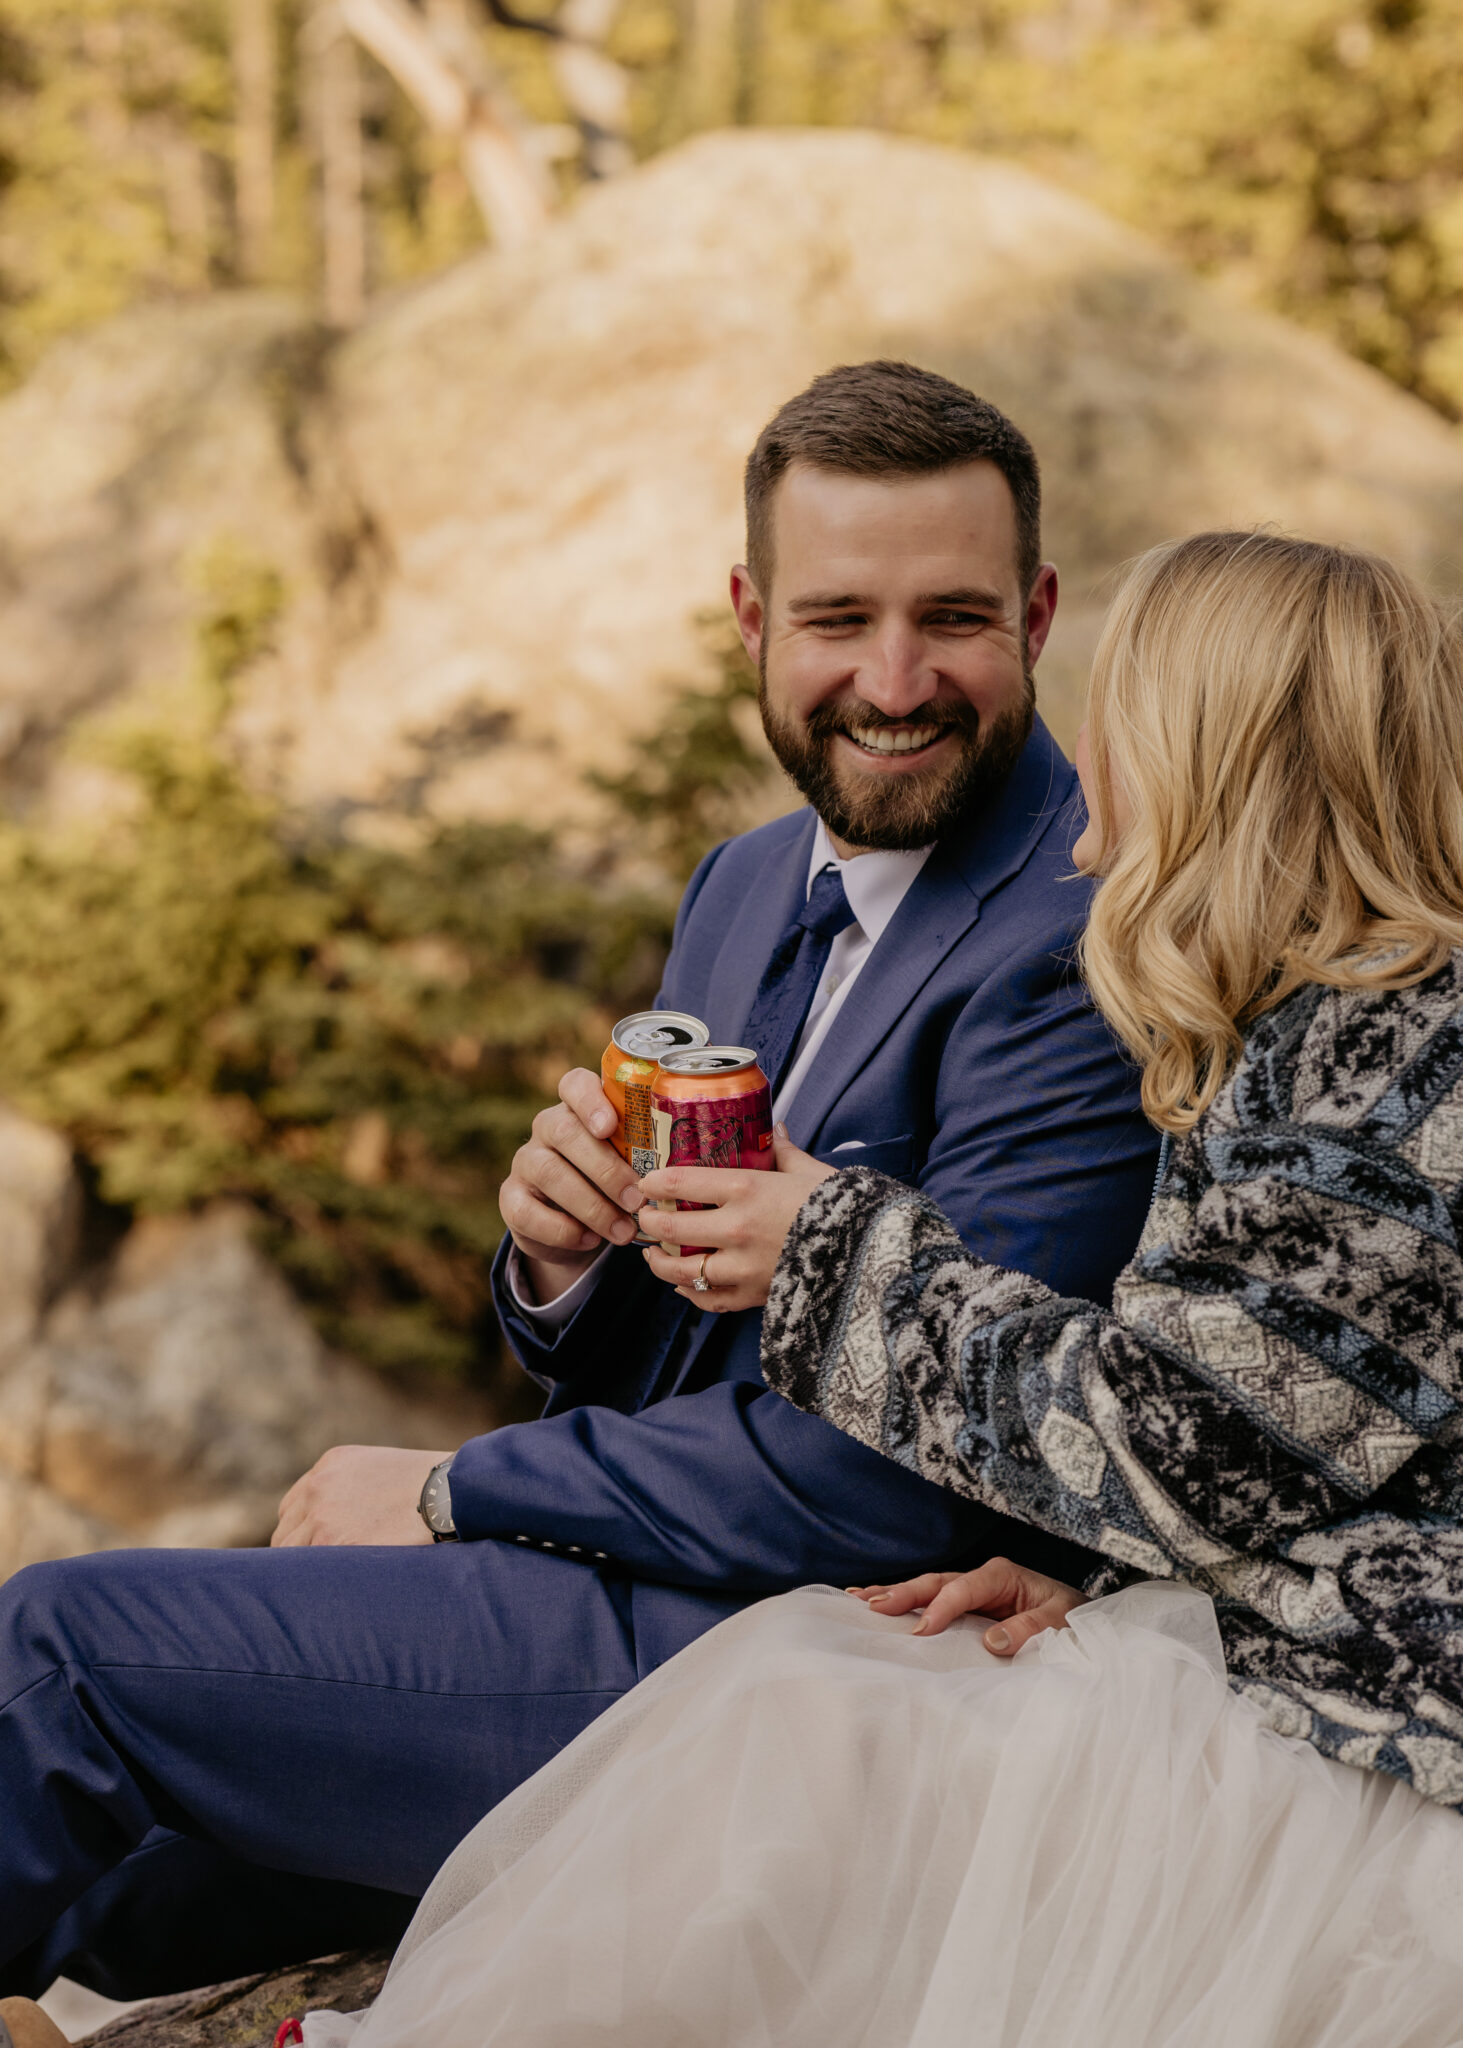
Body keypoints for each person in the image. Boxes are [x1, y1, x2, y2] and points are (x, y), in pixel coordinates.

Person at [0, 361, 1157, 2003]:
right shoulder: (744, 884)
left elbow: (925, 1472)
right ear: (750, 620)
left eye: (952, 620)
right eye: (837, 620)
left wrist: (452, 1491)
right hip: (621, 1580)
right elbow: (678, 1332)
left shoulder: (1080, 935)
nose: (894, 682)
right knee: (117, 1877)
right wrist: (567, 1260)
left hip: (792, 1652)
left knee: (58, 1656)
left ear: (1036, 616)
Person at [291, 530, 1463, 2048]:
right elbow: (1311, 1434)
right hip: (1298, 1639)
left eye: (1120, 716)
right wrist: (1111, 1583)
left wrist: (830, 1248)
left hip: (1379, 1745)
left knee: (800, 1730)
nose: (1084, 780)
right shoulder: (1331, 1024)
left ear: (1212, 762)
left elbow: (1192, 1439)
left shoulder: (1386, 1051)